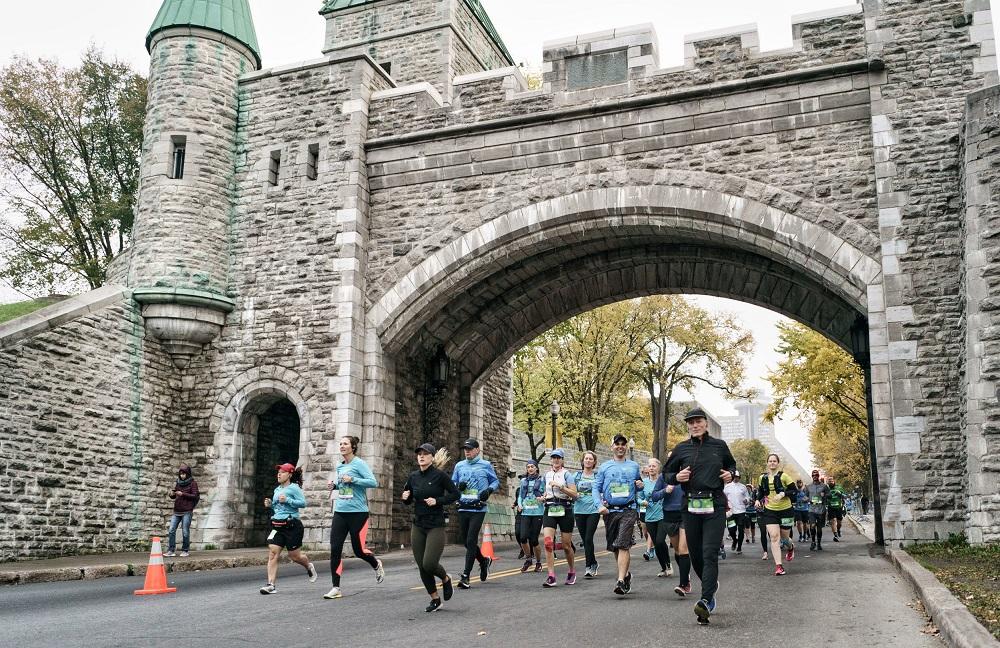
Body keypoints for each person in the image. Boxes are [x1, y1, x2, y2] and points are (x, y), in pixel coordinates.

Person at [662, 408, 736, 625]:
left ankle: (706, 599)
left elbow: (731, 465)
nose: (695, 425)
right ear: (688, 426)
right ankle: (710, 585)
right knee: (695, 555)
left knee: (709, 552)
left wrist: (731, 474)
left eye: (698, 421)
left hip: (714, 504)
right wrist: (676, 476)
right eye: (691, 422)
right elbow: (666, 473)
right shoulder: (681, 448)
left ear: (705, 423)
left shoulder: (719, 446)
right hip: (691, 505)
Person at [401, 443, 459, 612]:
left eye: (425, 454)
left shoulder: (440, 476)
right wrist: (405, 497)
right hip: (418, 524)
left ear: (432, 458)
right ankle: (435, 599)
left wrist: (437, 501)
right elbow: (408, 498)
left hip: (435, 525)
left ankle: (446, 578)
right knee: (422, 566)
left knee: (429, 563)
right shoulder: (413, 477)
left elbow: (456, 494)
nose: (421, 456)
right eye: (419, 453)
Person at [325, 435, 383, 599]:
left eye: (345, 444)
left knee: (358, 550)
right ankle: (336, 587)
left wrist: (354, 479)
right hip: (341, 511)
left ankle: (375, 563)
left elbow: (373, 482)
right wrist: (334, 485)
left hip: (358, 512)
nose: (342, 446)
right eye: (341, 444)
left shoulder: (359, 464)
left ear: (353, 447)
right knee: (335, 548)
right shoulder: (340, 465)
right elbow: (343, 485)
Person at [594, 433, 644, 596]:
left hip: (628, 509)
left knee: (623, 543)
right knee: (615, 545)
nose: (620, 446)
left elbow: (639, 485)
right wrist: (599, 505)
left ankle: (621, 580)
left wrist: (640, 485)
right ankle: (627, 575)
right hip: (610, 511)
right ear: (612, 447)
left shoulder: (634, 466)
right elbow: (596, 488)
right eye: (617, 444)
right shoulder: (604, 467)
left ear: (626, 448)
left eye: (623, 444)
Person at [259, 463, 317, 594]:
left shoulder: (294, 488)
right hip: (277, 525)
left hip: (292, 526)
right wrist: (270, 505)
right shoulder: (277, 490)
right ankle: (270, 585)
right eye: (278, 472)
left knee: (294, 556)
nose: (279, 474)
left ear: (289, 474)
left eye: (282, 472)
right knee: (273, 553)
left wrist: (288, 500)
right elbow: (278, 508)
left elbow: (303, 503)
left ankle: (308, 565)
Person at [451, 438, 501, 588]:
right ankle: (484, 560)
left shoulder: (485, 465)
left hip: (478, 508)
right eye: (465, 449)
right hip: (463, 506)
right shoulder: (459, 465)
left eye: (470, 449)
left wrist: (488, 490)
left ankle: (466, 576)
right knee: (466, 542)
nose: (467, 451)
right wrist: (457, 486)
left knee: (471, 540)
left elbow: (495, 482)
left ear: (477, 450)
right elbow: (452, 483)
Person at [540, 448, 578, 586]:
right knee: (548, 543)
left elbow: (575, 494)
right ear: (550, 460)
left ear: (562, 460)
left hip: (565, 509)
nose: (555, 460)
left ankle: (572, 571)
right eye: (553, 457)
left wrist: (561, 486)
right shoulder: (547, 475)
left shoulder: (567, 474)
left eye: (558, 458)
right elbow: (546, 491)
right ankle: (551, 576)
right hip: (550, 508)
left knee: (567, 545)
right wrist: (543, 497)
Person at [650, 466, 690, 595]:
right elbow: (654, 496)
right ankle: (686, 575)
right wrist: (665, 491)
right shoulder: (664, 477)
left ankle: (684, 583)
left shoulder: (688, 474)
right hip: (669, 515)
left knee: (684, 549)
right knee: (678, 550)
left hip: (686, 513)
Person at [756, 453, 797, 576]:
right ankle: (779, 566)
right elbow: (761, 491)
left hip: (785, 510)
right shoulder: (762, 478)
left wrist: (783, 494)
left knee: (784, 539)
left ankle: (790, 548)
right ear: (767, 463)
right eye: (770, 461)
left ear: (778, 463)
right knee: (774, 537)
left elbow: (794, 491)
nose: (772, 463)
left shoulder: (784, 476)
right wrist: (758, 500)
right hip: (770, 510)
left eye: (774, 461)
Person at [574, 451, 601, 578]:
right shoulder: (576, 476)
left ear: (594, 462)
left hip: (593, 510)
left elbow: (603, 490)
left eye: (591, 459)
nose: (588, 461)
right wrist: (573, 495)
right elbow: (571, 490)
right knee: (585, 540)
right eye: (586, 458)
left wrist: (603, 500)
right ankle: (593, 562)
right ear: (583, 461)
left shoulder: (597, 476)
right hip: (579, 510)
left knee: (588, 538)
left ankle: (589, 566)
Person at [642, 458, 671, 577]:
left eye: (654, 466)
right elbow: (638, 497)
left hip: (662, 515)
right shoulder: (643, 482)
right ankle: (663, 567)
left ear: (658, 468)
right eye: (650, 466)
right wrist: (642, 502)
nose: (651, 468)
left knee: (660, 541)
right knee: (656, 543)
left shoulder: (663, 480)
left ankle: (668, 564)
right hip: (649, 516)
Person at [165, 463, 199, 558]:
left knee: (185, 531)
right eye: (181, 474)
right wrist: (172, 494)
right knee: (171, 530)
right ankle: (171, 550)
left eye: (184, 474)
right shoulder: (178, 482)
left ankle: (185, 550)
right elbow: (175, 495)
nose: (182, 476)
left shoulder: (193, 483)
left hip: (187, 511)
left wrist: (183, 494)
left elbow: (195, 496)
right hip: (177, 511)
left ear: (187, 474)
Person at [518, 460, 545, 572]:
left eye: (532, 466)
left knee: (534, 540)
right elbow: (520, 496)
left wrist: (543, 498)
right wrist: (519, 505)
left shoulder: (542, 480)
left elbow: (546, 493)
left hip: (537, 513)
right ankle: (529, 559)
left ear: (536, 468)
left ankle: (538, 562)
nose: (530, 469)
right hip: (526, 512)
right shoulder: (524, 481)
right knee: (523, 537)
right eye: (528, 467)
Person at [723, 470, 749, 554]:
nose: (736, 479)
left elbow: (747, 497)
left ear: (739, 477)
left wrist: (746, 500)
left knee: (741, 530)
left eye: (737, 477)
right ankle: (735, 540)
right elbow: (723, 498)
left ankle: (739, 547)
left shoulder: (743, 487)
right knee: (731, 530)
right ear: (732, 477)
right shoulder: (727, 487)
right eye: (734, 477)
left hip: (741, 511)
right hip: (731, 512)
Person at [805, 470, 831, 551]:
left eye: (816, 475)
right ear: (812, 476)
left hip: (821, 509)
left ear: (818, 476)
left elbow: (830, 495)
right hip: (812, 509)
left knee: (819, 528)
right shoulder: (808, 486)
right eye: (813, 475)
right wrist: (807, 499)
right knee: (812, 526)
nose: (815, 476)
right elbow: (805, 497)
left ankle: (819, 543)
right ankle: (813, 542)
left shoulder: (824, 486)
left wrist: (825, 495)